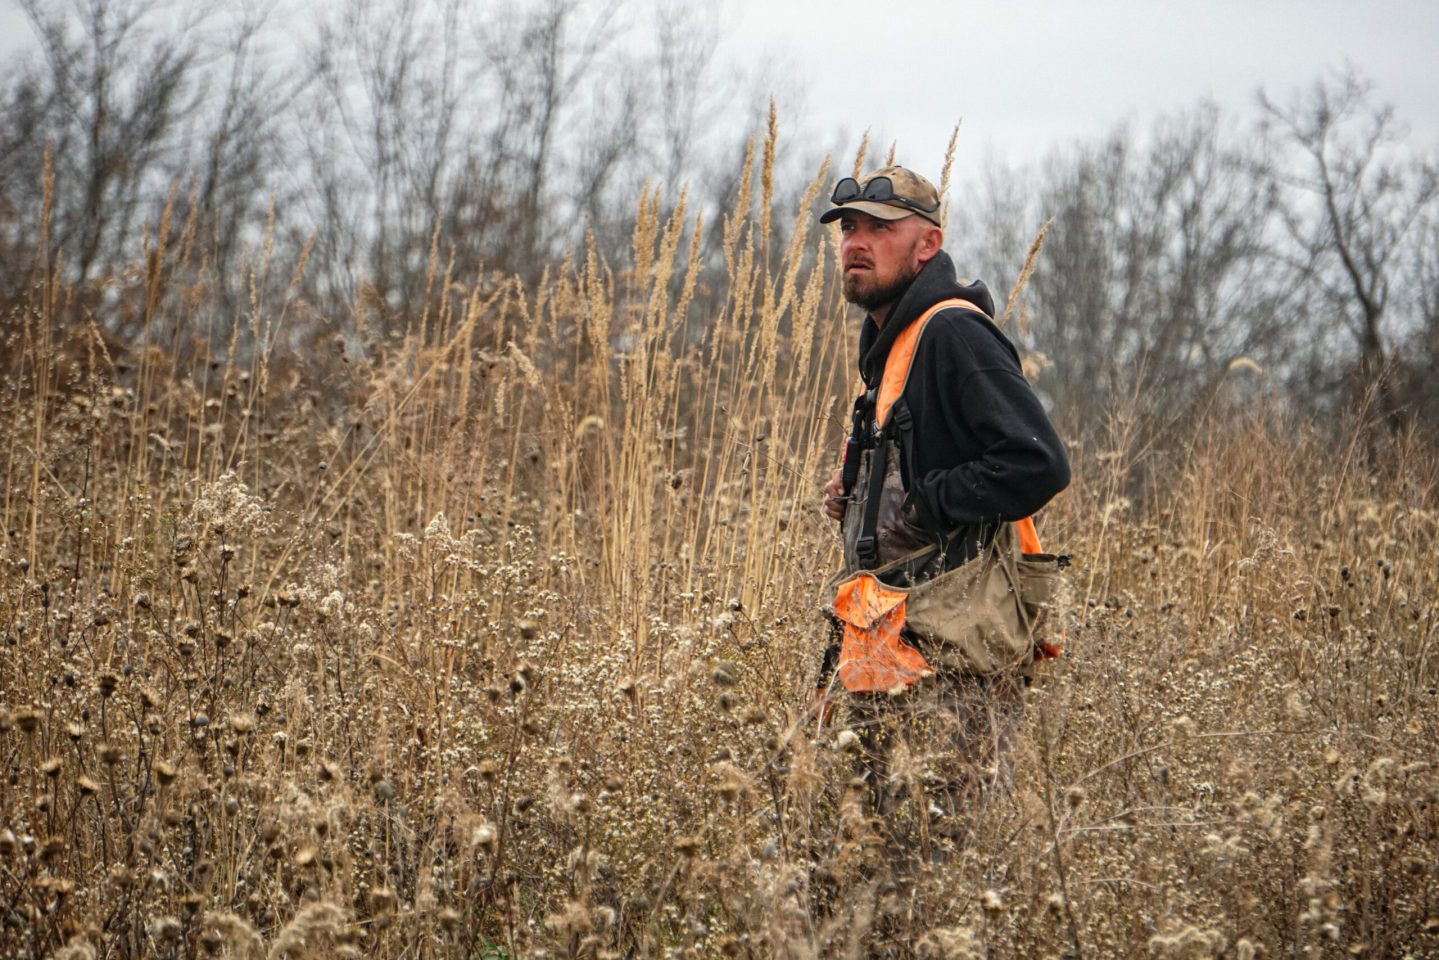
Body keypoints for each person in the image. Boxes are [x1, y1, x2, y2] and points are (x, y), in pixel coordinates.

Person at [817, 166, 1070, 873]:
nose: (855, 242)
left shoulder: (952, 333)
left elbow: (1037, 463)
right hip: (890, 651)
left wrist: (926, 500)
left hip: (952, 666)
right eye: (847, 228)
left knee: (924, 873)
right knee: (863, 868)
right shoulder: (889, 349)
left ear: (926, 245)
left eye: (877, 227)